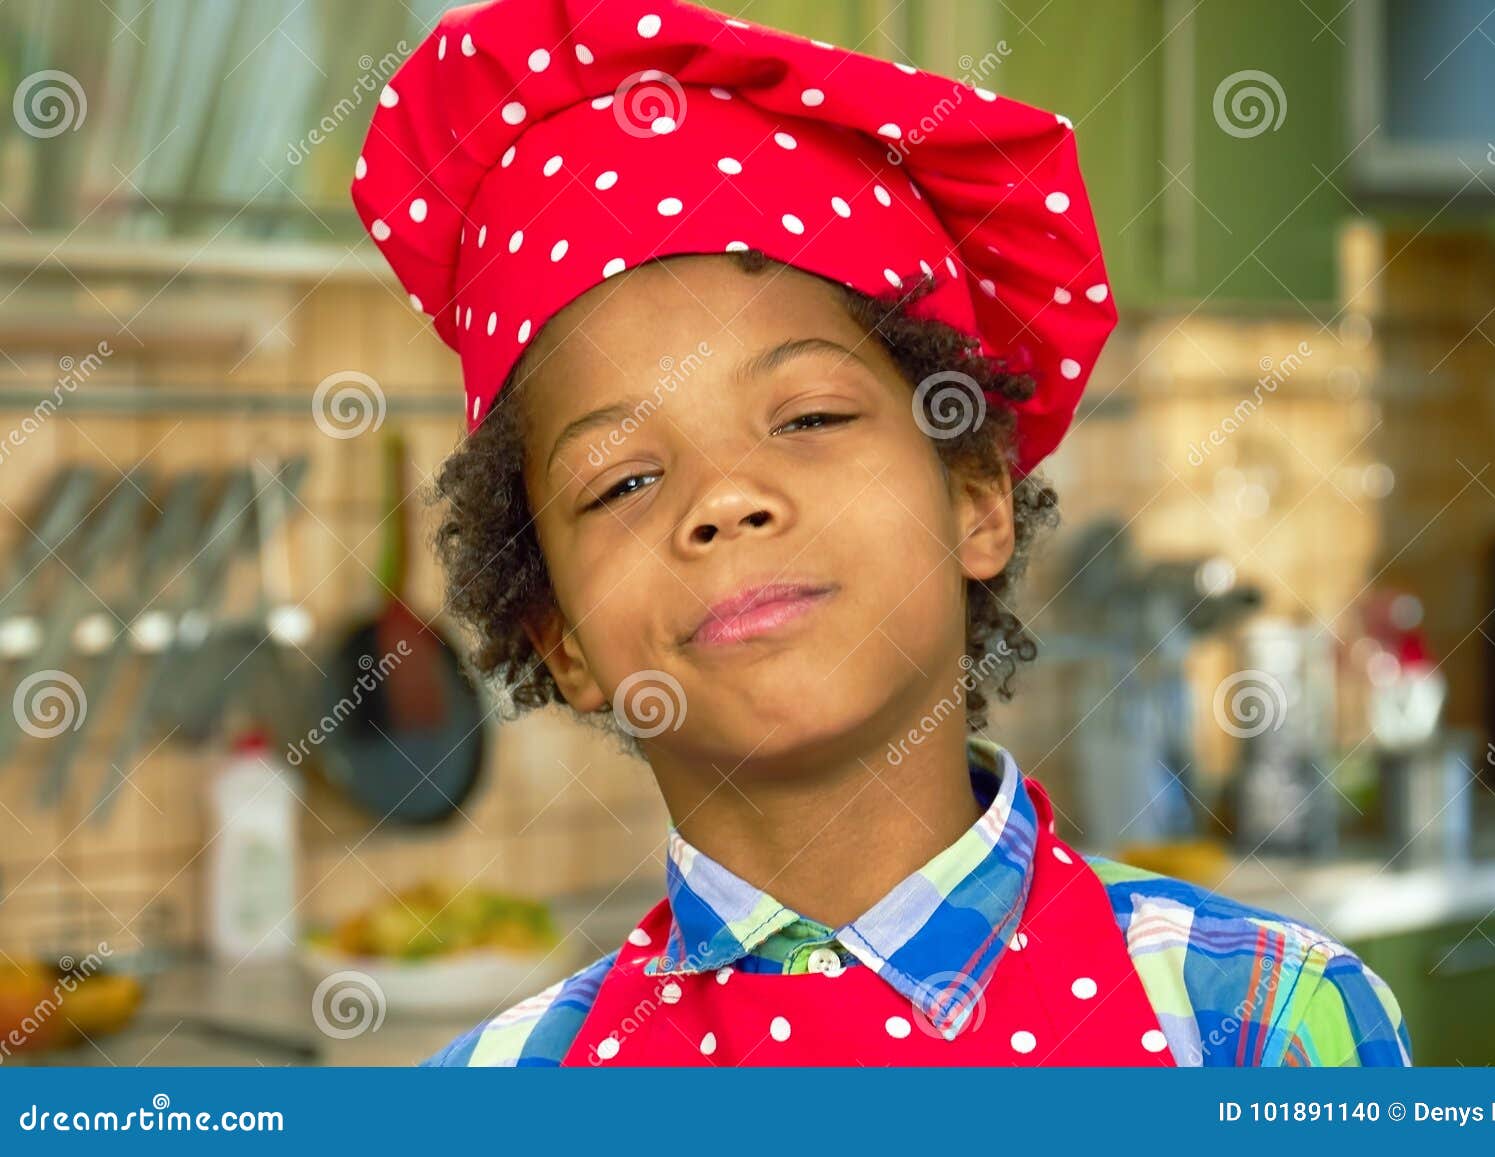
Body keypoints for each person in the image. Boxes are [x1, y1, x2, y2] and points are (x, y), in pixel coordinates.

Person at [349, 0, 1411, 1068]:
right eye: (622, 480)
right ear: (561, 638)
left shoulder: (1266, 1021)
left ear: (975, 496)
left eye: (808, 418)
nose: (724, 501)